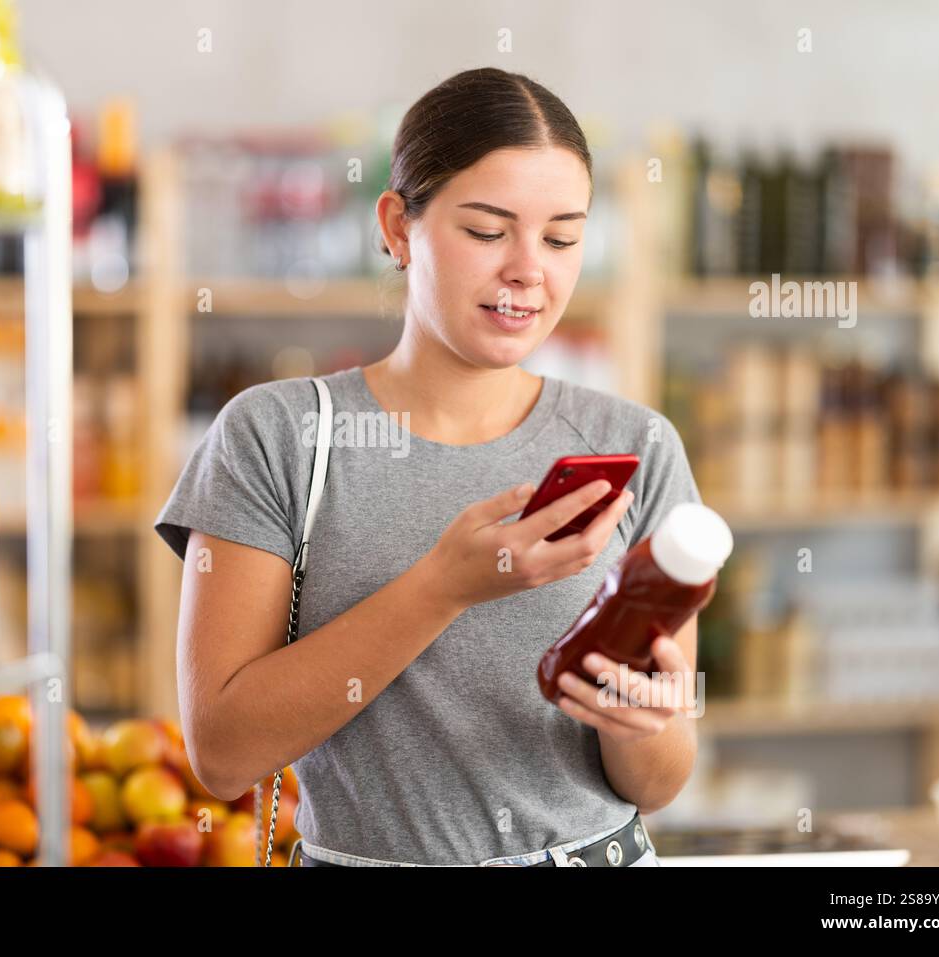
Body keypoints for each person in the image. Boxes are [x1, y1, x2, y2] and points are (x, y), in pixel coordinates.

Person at [154, 66, 701, 867]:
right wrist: (442, 586)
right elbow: (223, 752)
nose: (528, 269)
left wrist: (639, 721)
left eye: (561, 237)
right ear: (398, 227)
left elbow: (660, 779)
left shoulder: (634, 448)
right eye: (487, 230)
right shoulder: (277, 437)